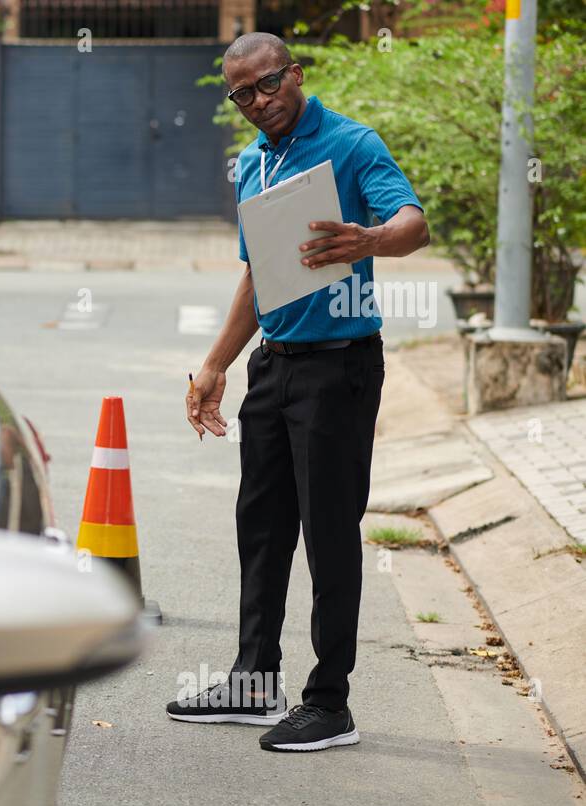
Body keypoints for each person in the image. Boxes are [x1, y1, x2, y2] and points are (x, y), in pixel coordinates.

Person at [169, 32, 430, 752]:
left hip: (339, 368)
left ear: (296, 74)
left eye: (268, 84)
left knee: (328, 533)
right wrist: (218, 363)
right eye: (242, 93)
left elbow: (413, 223)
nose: (258, 101)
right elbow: (259, 275)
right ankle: (255, 683)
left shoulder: (350, 145)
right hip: (274, 367)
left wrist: (368, 240)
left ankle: (330, 702)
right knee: (262, 526)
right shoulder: (252, 163)